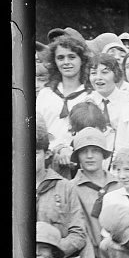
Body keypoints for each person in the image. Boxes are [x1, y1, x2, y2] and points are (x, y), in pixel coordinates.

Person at [37, 34, 95, 175]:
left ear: (82, 60)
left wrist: (69, 149)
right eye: (60, 58)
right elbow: (38, 129)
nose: (66, 62)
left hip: (79, 162)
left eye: (72, 57)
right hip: (47, 162)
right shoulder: (46, 94)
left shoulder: (91, 94)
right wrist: (57, 149)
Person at [70, 128, 120, 258]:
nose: (90, 156)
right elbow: (79, 229)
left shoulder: (119, 185)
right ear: (77, 156)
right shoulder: (71, 188)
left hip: (120, 257)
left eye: (95, 151)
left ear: (104, 154)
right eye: (84, 151)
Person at [87, 53, 129, 132]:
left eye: (105, 72)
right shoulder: (85, 102)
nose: (98, 77)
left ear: (115, 74)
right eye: (93, 73)